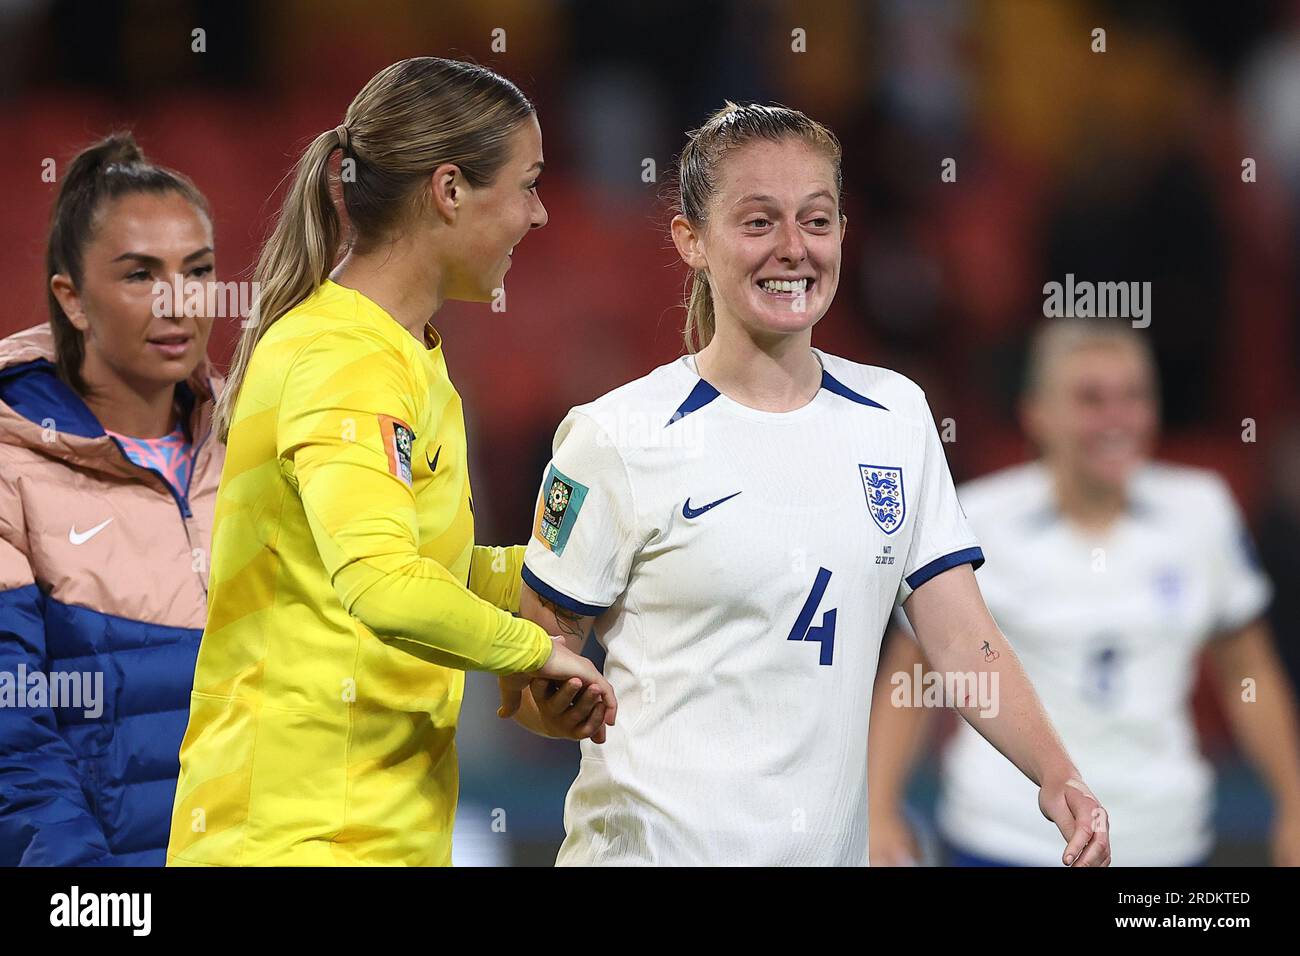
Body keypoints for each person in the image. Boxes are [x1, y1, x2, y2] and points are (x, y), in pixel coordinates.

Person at [502, 102, 1109, 867]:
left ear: (843, 235)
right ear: (691, 241)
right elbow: (531, 667)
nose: (793, 248)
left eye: (816, 221)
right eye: (758, 222)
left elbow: (961, 638)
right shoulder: (617, 435)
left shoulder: (897, 415)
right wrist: (555, 706)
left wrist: (1058, 774)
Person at [167, 57, 614, 867]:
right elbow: (378, 581)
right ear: (449, 191)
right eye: (527, 185)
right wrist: (531, 650)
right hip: (294, 837)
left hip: (378, 833)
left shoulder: (405, 354)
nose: (542, 214)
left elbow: (422, 565)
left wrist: (558, 582)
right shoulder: (346, 358)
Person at [868, 320, 1300, 867]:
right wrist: (878, 813)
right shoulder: (976, 516)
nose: (1116, 418)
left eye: (1134, 396)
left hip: (1163, 839)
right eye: (1090, 399)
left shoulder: (1203, 512)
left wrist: (1293, 804)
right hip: (1002, 838)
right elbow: (914, 678)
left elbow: (1249, 672)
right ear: (1037, 414)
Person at [0, 132, 223, 865]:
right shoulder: (11, 466)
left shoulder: (255, 446)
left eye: (198, 272)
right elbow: (12, 730)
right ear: (73, 299)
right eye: (139, 276)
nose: (178, 303)